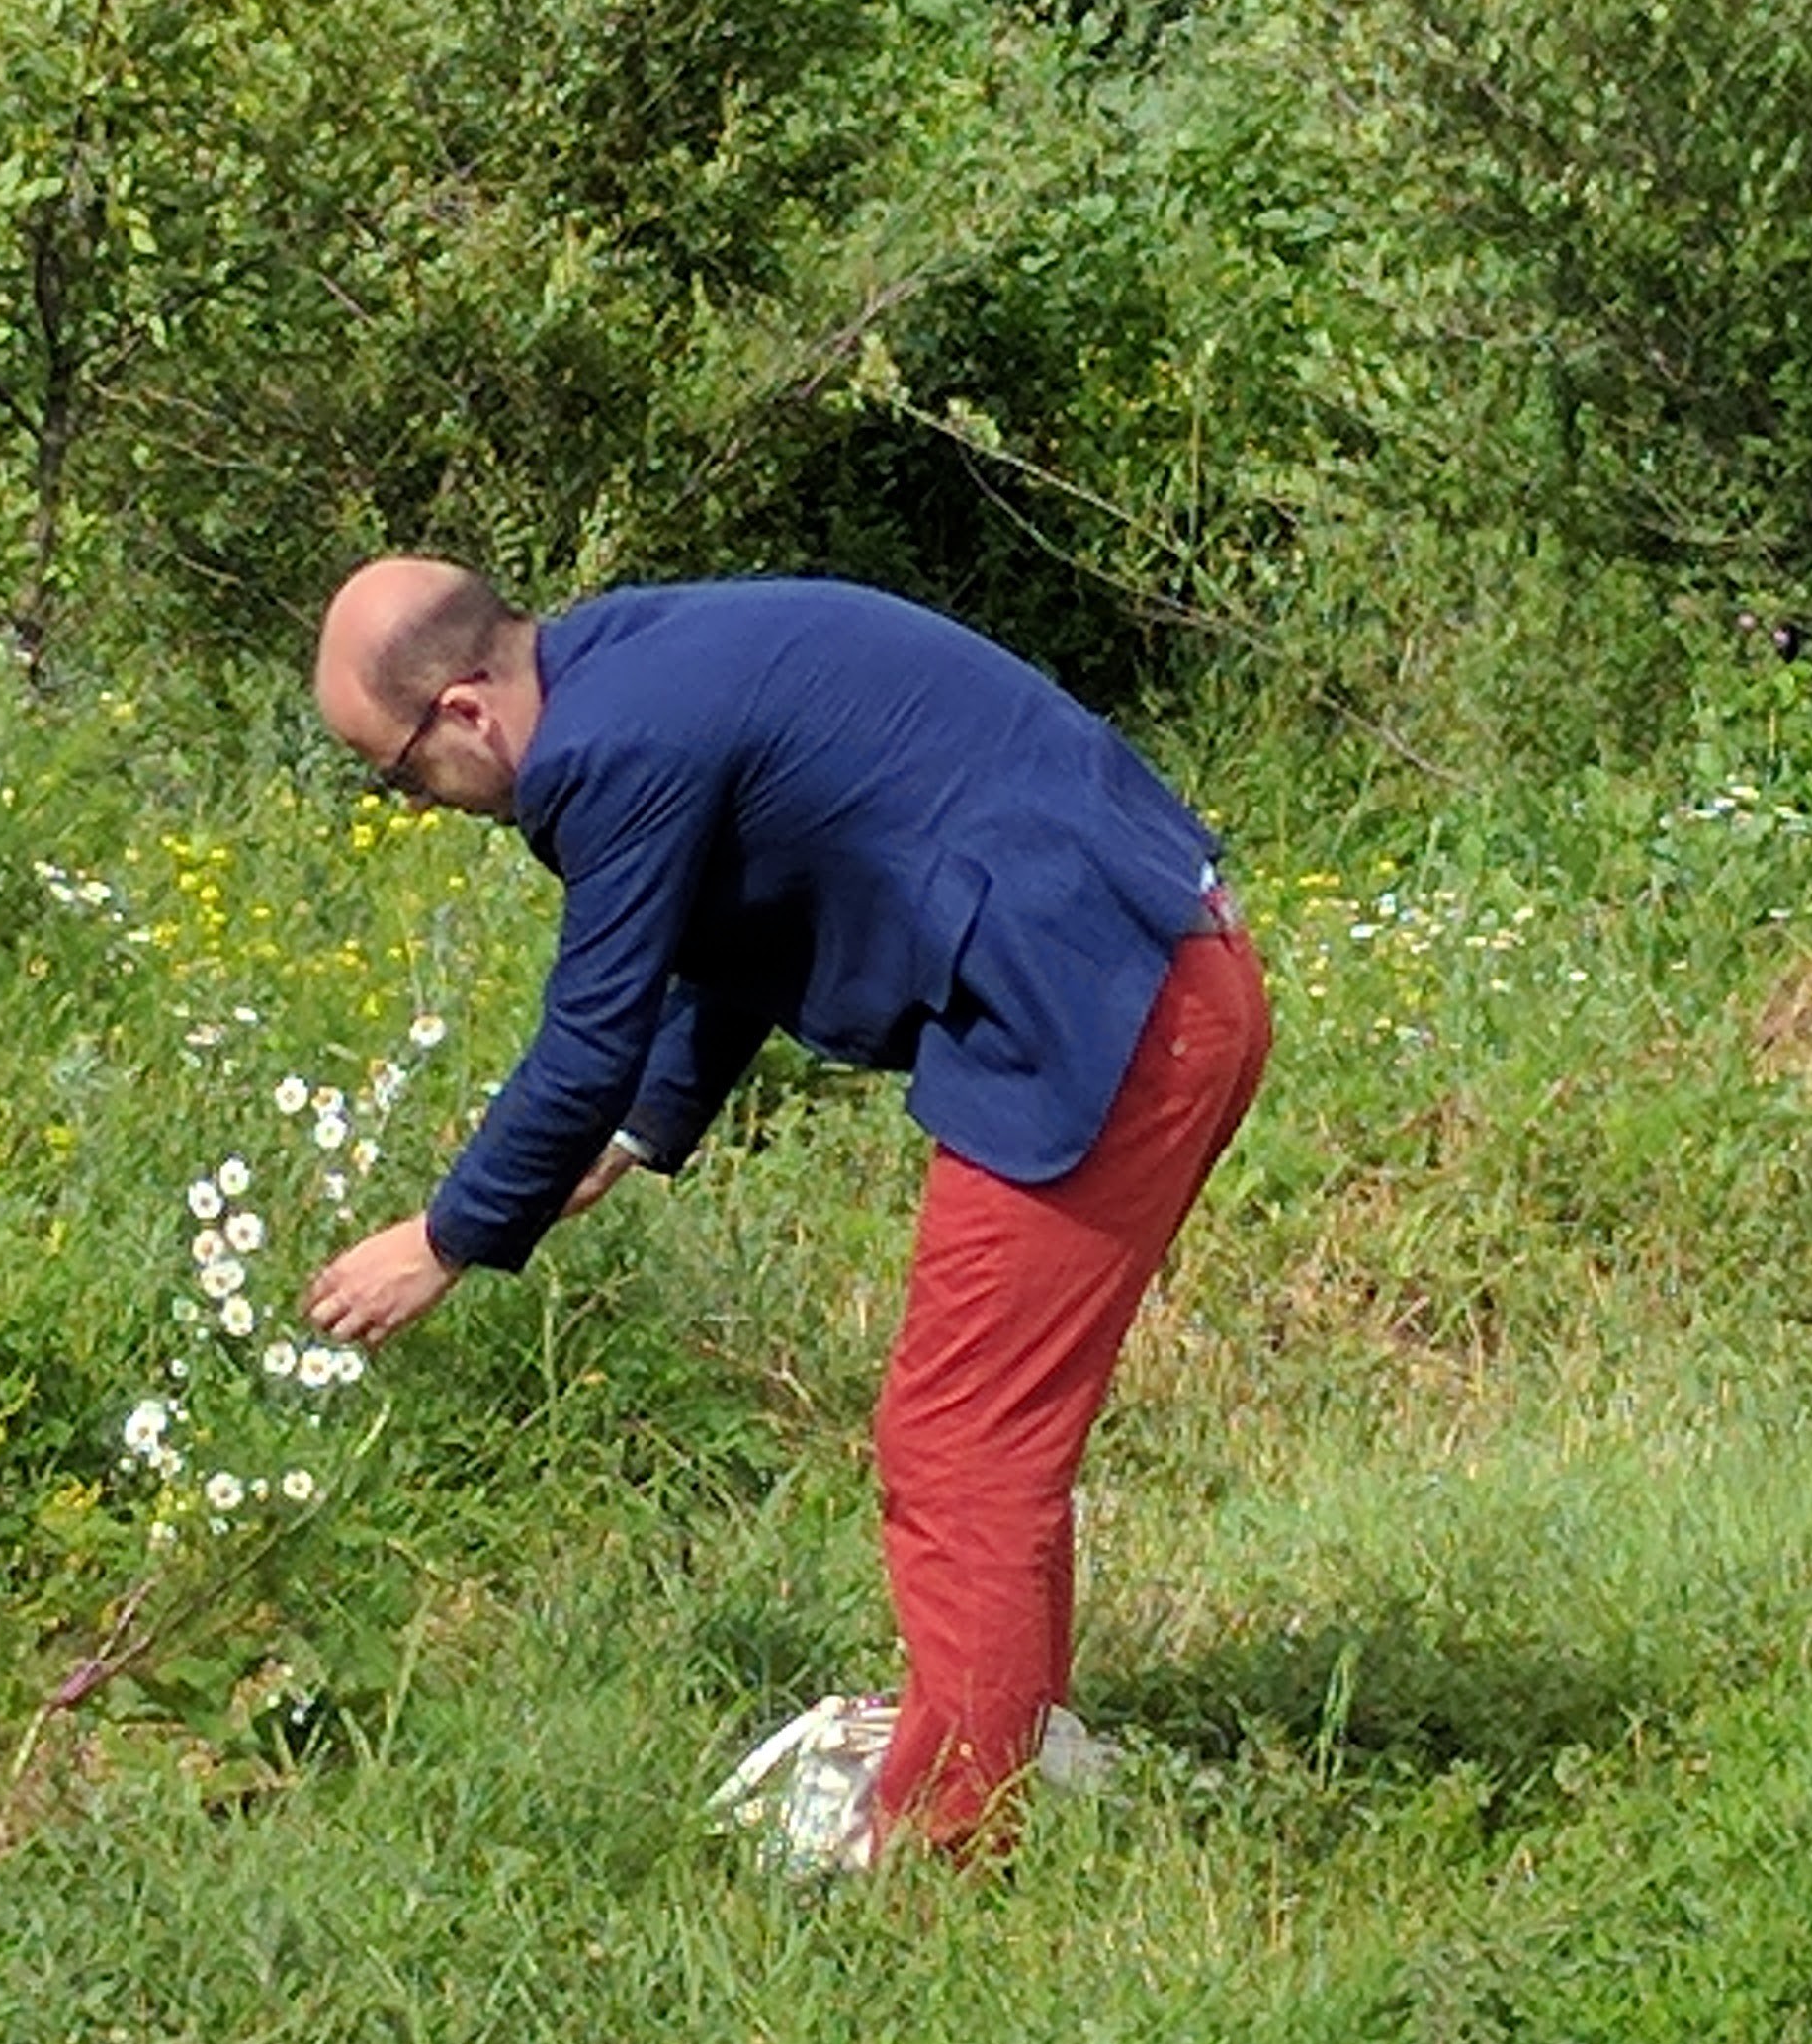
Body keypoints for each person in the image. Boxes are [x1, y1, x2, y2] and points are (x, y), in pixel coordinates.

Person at [302, 558, 1271, 1857]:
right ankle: (1001, 1767)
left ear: (465, 712)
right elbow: (734, 925)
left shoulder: (605, 747)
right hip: (1142, 977)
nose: (420, 803)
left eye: (400, 774)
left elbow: (584, 1042)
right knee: (981, 1438)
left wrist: (445, 1240)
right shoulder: (627, 668)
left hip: (1106, 1013)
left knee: (959, 1446)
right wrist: (637, 1133)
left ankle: (951, 1854)